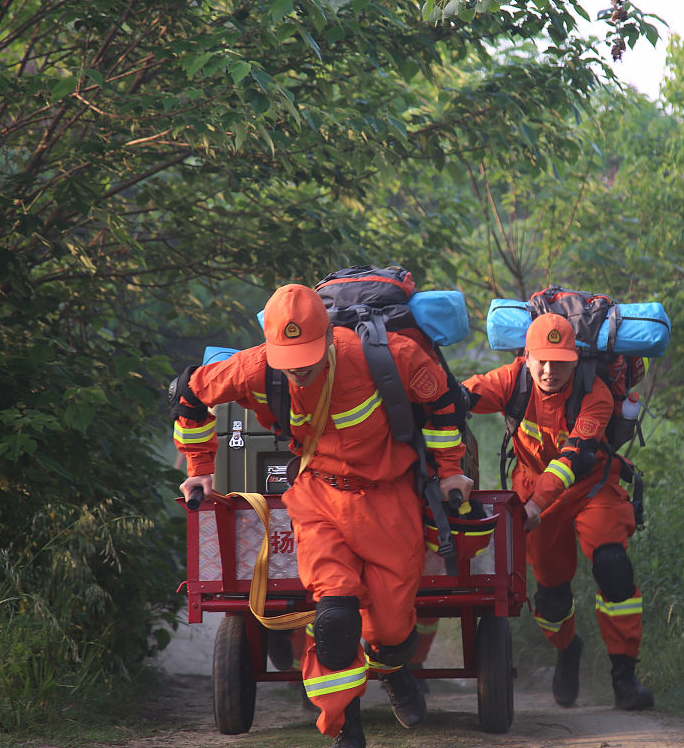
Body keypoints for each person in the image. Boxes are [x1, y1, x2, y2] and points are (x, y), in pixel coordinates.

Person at [171, 283, 474, 748]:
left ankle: (393, 668)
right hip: (316, 499)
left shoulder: (392, 355)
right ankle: (345, 729)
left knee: (391, 629)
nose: (299, 372)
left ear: (331, 338)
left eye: (309, 359)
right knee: (333, 613)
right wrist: (201, 470)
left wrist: (451, 471)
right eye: (288, 363)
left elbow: (445, 404)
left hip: (388, 501)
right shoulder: (255, 366)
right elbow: (190, 394)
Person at [462, 313, 654, 711]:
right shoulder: (511, 380)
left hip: (591, 486)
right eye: (541, 361)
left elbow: (573, 458)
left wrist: (534, 506)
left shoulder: (595, 394)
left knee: (614, 567)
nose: (550, 371)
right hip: (533, 489)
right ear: (525, 357)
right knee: (550, 598)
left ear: (576, 359)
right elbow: (455, 398)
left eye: (560, 361)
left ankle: (625, 678)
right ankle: (568, 649)